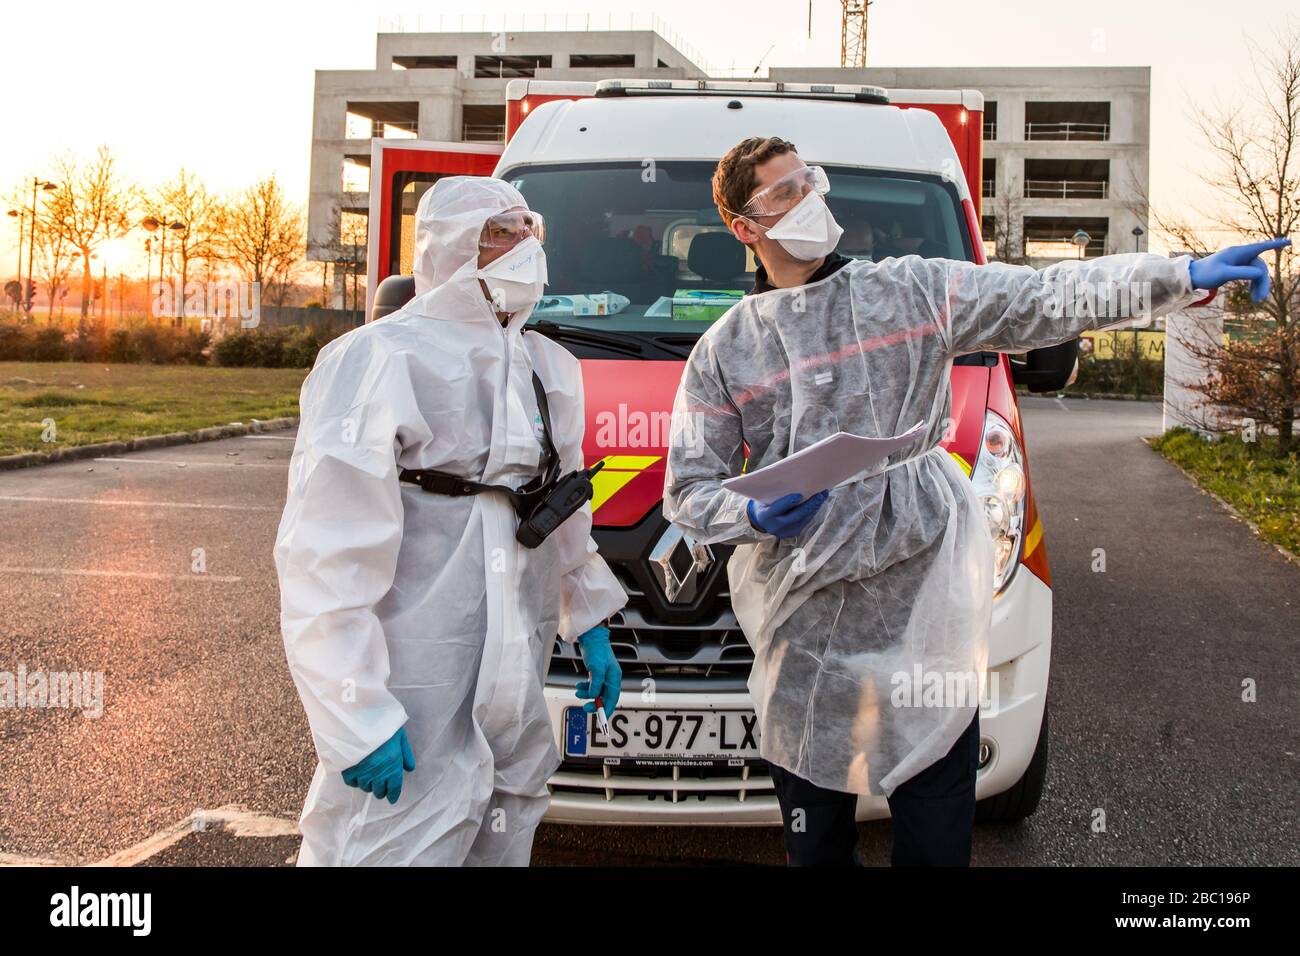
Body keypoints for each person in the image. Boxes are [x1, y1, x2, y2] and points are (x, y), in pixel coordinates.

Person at [663, 135, 1289, 867]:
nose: (808, 199)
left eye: (809, 181)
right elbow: (688, 489)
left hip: (924, 605)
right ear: (745, 228)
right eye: (783, 194)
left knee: (935, 842)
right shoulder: (726, 349)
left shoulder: (911, 292)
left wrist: (1179, 274)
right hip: (805, 628)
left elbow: (1048, 298)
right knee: (817, 847)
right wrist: (751, 515)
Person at [274, 176, 627, 866]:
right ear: (451, 248)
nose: (525, 245)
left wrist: (589, 619)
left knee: (508, 814)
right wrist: (356, 714)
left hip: (513, 674)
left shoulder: (545, 366)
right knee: (386, 844)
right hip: (413, 676)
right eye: (502, 232)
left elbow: (560, 505)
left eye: (531, 230)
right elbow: (326, 555)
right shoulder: (377, 358)